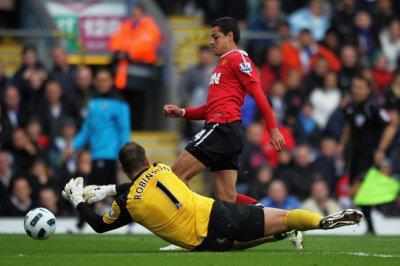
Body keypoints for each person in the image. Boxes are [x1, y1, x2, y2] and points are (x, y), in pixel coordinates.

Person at [62, 141, 364, 251]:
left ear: (123, 169)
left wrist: (79, 200)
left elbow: (100, 225)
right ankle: (321, 222)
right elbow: (143, 181)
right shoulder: (164, 169)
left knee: (239, 245)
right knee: (282, 217)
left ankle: (284, 232)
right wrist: (108, 190)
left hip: (205, 243)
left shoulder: (129, 203)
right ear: (147, 158)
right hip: (217, 213)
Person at [163, 17, 285, 206]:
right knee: (227, 199)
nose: (211, 41)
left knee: (176, 176)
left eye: (216, 37)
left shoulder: (239, 58)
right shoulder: (222, 64)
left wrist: (273, 129)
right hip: (227, 130)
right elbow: (211, 108)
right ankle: (272, 219)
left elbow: (259, 95)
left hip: (222, 127)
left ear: (230, 36)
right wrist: (182, 112)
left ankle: (198, 223)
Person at [68, 69, 131, 186]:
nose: (102, 83)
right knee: (103, 191)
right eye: (99, 80)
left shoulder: (119, 103)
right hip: (95, 154)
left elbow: (124, 131)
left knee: (101, 190)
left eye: (105, 80)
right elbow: (86, 129)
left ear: (111, 81)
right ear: (95, 82)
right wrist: (74, 146)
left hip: (110, 154)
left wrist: (122, 156)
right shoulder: (93, 103)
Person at [109, 3, 161, 130]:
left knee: (138, 107)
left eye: (137, 13)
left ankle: (137, 131)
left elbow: (145, 46)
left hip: (140, 78)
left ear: (143, 14)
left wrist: (128, 53)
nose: (134, 16)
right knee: (123, 106)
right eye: (133, 14)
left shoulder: (150, 27)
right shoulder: (127, 26)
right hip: (124, 77)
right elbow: (115, 40)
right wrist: (118, 52)